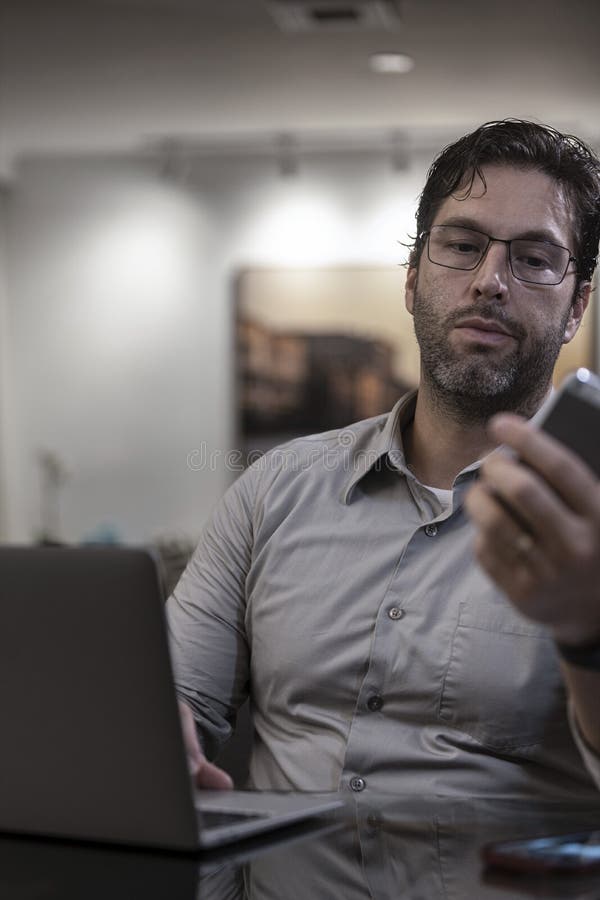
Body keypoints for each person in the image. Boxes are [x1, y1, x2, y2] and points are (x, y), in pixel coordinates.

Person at [167, 119, 600, 797]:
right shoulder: (273, 491)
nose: (490, 280)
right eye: (462, 245)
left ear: (576, 308)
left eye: (534, 259)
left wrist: (588, 629)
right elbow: (175, 701)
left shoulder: (590, 519)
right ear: (411, 279)